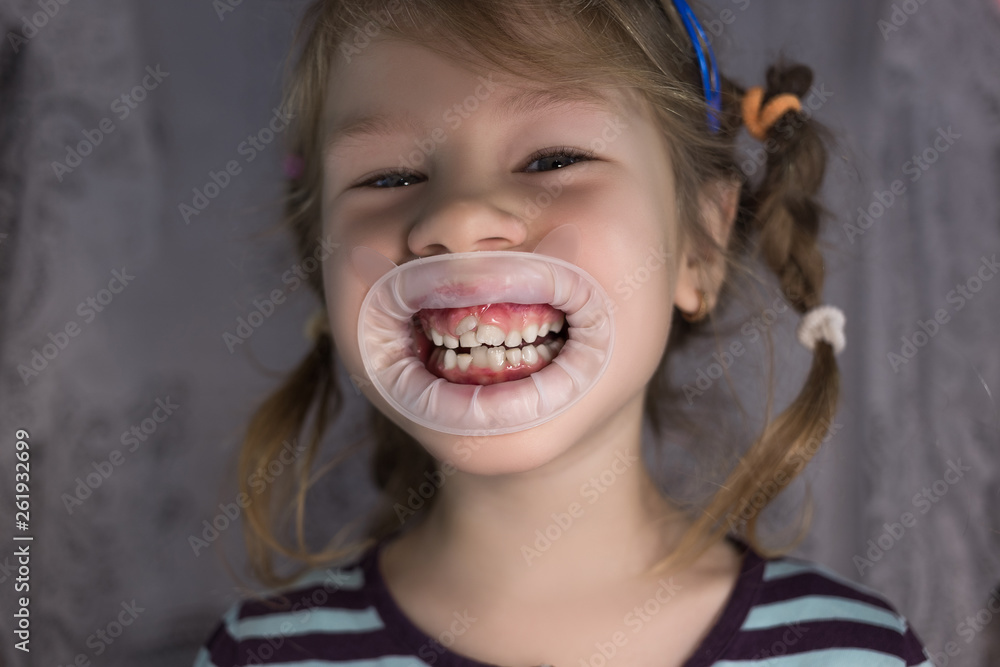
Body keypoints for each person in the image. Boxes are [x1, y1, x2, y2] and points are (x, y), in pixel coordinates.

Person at [194, 0, 933, 665]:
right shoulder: (259, 655)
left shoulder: (857, 653)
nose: (457, 220)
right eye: (386, 176)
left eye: (554, 159)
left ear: (699, 245)